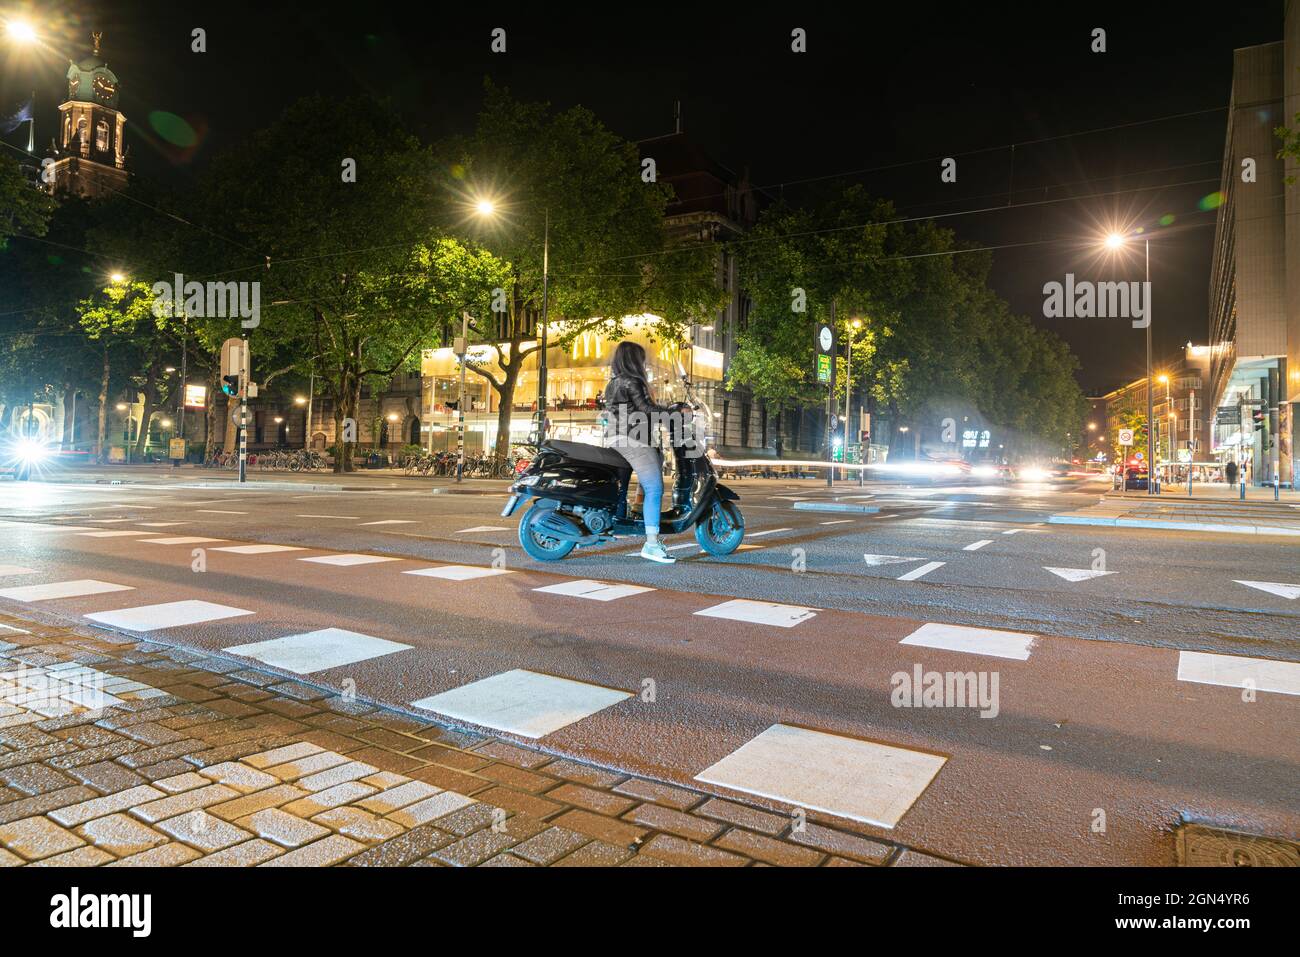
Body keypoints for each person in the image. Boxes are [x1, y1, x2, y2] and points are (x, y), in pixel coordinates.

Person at [604, 341, 686, 564]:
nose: (644, 362)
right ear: (633, 360)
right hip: (633, 440)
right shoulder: (633, 381)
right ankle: (651, 544)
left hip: (614, 439)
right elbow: (646, 410)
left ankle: (619, 522)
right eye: (641, 358)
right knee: (654, 488)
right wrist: (674, 410)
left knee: (621, 488)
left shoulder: (612, 383)